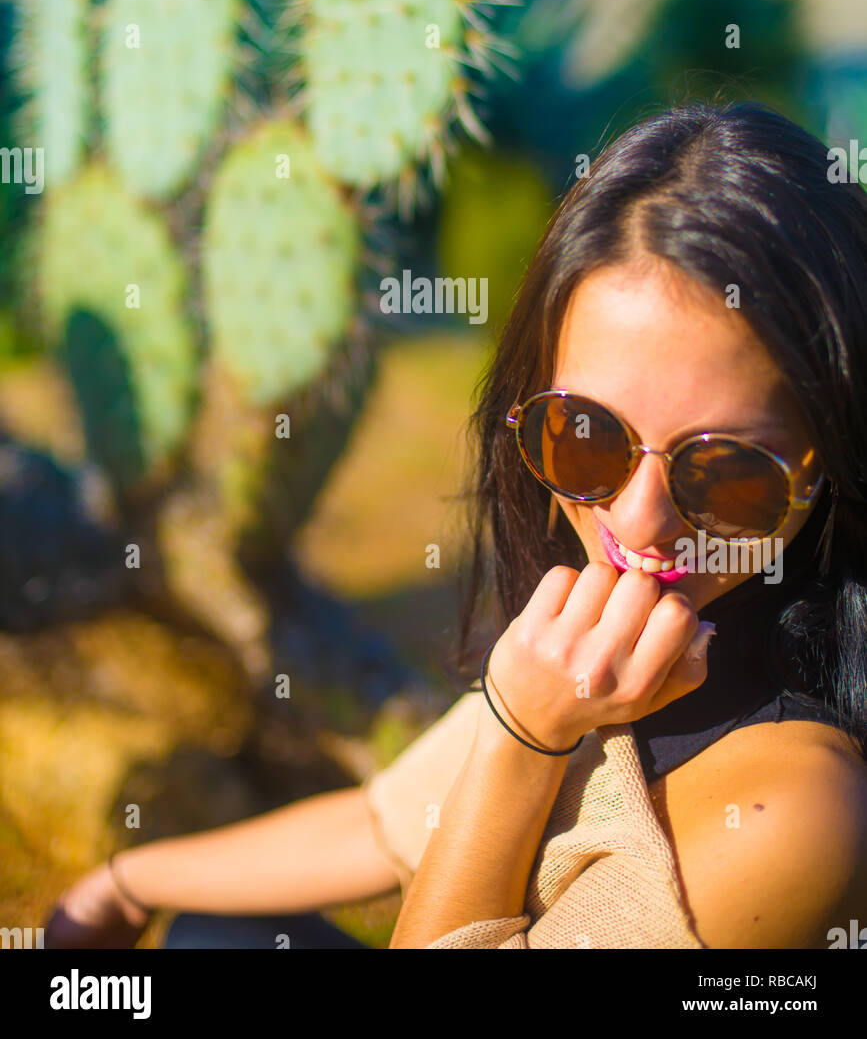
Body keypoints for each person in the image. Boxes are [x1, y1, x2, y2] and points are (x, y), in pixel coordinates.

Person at [43, 100, 867, 949]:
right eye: (584, 437)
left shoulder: (789, 814)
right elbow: (384, 823)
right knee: (218, 931)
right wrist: (124, 882)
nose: (636, 518)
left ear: (833, 459)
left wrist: (525, 740)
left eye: (727, 473)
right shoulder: (631, 631)